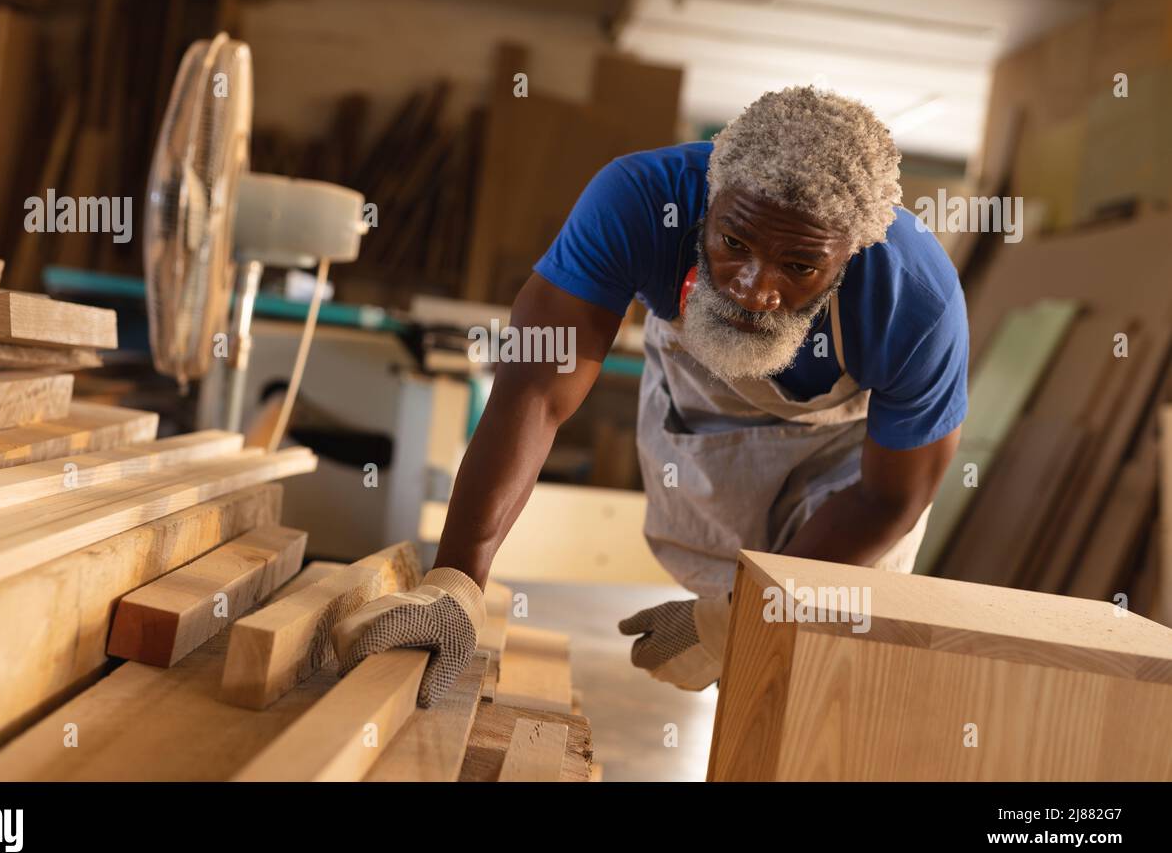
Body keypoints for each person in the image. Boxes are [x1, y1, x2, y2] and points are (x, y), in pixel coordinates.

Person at [332, 86, 968, 704]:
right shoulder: (639, 198)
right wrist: (457, 581)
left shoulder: (916, 301)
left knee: (818, 648)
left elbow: (888, 498)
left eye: (799, 268)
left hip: (848, 457)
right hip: (704, 413)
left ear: (852, 254)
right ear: (708, 198)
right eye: (733, 243)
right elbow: (535, 390)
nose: (752, 288)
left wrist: (730, 622)